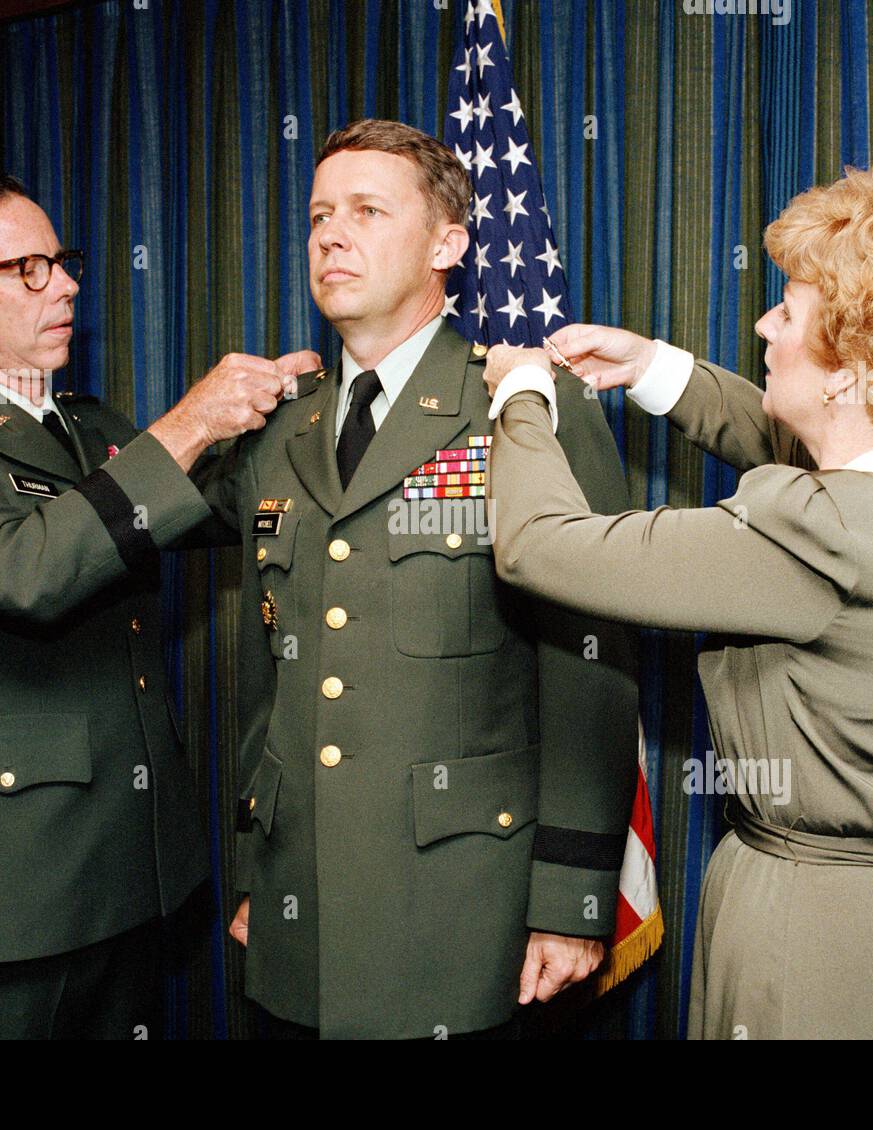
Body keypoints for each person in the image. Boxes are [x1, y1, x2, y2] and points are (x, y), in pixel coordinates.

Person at [482, 166, 873, 1039]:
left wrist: (521, 398)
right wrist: (656, 368)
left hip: (821, 950)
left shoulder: (821, 533)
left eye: (787, 313)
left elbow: (540, 545)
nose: (763, 326)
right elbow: (802, 444)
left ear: (849, 375)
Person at [0, 174, 307, 1038]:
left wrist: (314, 416)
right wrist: (192, 421)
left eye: (60, 262)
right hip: (16, 887)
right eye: (26, 268)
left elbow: (222, 506)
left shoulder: (88, 428)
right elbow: (24, 571)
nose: (64, 284)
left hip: (135, 866)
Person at [213, 119, 639, 1039]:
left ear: (448, 245)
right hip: (302, 896)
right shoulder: (278, 424)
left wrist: (570, 894)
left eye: (367, 210)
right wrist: (254, 866)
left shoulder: (522, 401)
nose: (332, 233)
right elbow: (267, 672)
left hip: (461, 897)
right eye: (322, 213)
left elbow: (589, 666)